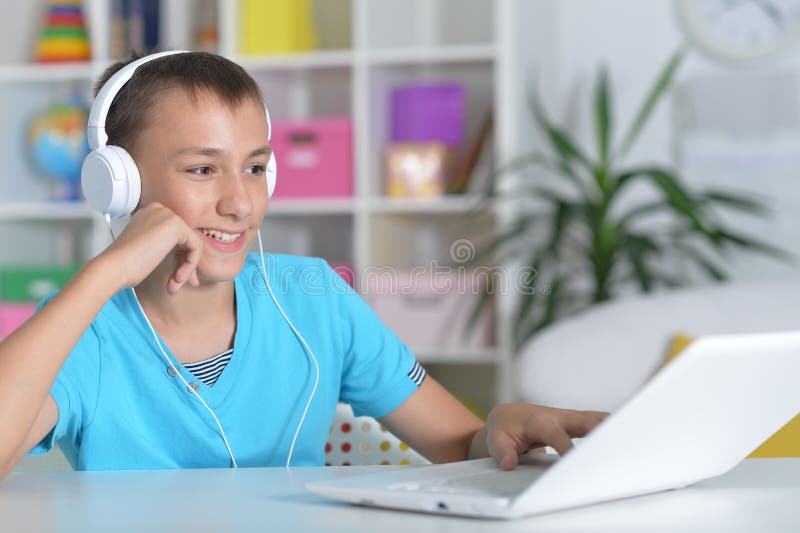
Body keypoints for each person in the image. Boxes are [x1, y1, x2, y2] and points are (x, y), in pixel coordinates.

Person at [0, 51, 605, 478]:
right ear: (118, 185)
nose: (241, 203)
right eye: (203, 169)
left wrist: (496, 428)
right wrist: (108, 270)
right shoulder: (82, 329)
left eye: (255, 168)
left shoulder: (314, 297)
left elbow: (460, 443)